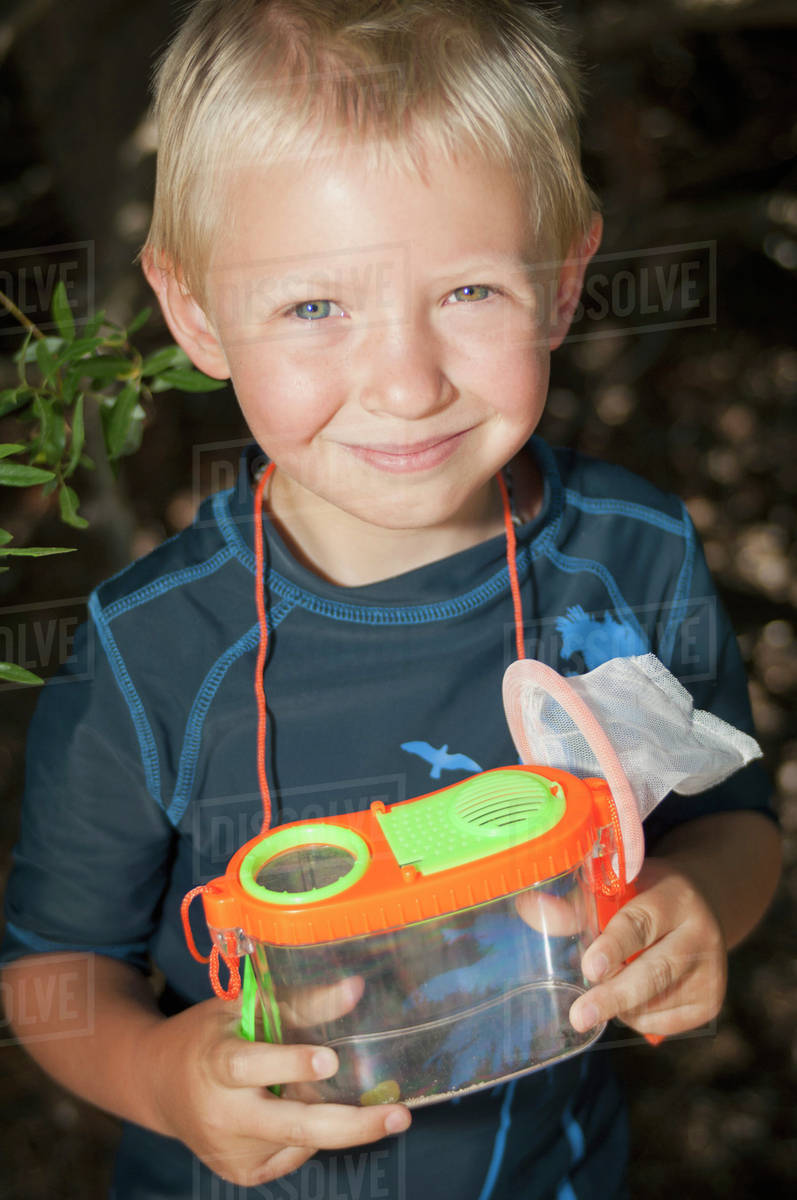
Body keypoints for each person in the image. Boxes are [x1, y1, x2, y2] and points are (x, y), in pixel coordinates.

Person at [0, 2, 781, 1198]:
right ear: (197, 312)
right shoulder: (152, 650)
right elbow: (51, 975)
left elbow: (732, 824)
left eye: (469, 292)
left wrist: (693, 906)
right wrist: (164, 1077)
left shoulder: (628, 556)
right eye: (315, 308)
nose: (406, 384)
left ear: (565, 280)